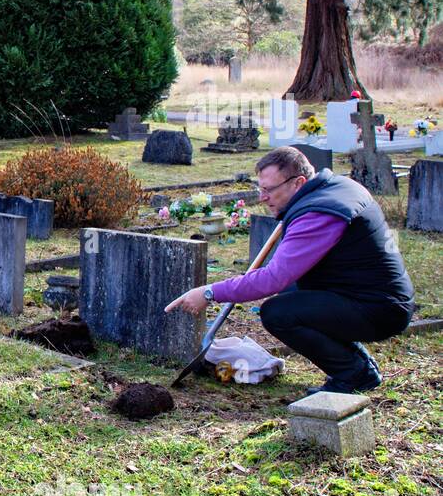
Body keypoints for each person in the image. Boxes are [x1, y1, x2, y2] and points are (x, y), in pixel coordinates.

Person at [165, 147, 415, 394]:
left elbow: (273, 279)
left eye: (269, 190)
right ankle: (361, 366)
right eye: (260, 189)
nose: (263, 197)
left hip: (379, 308)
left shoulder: (319, 213)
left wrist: (209, 293)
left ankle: (353, 374)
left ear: (299, 183)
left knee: (278, 313)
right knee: (291, 295)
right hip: (372, 294)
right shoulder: (335, 188)